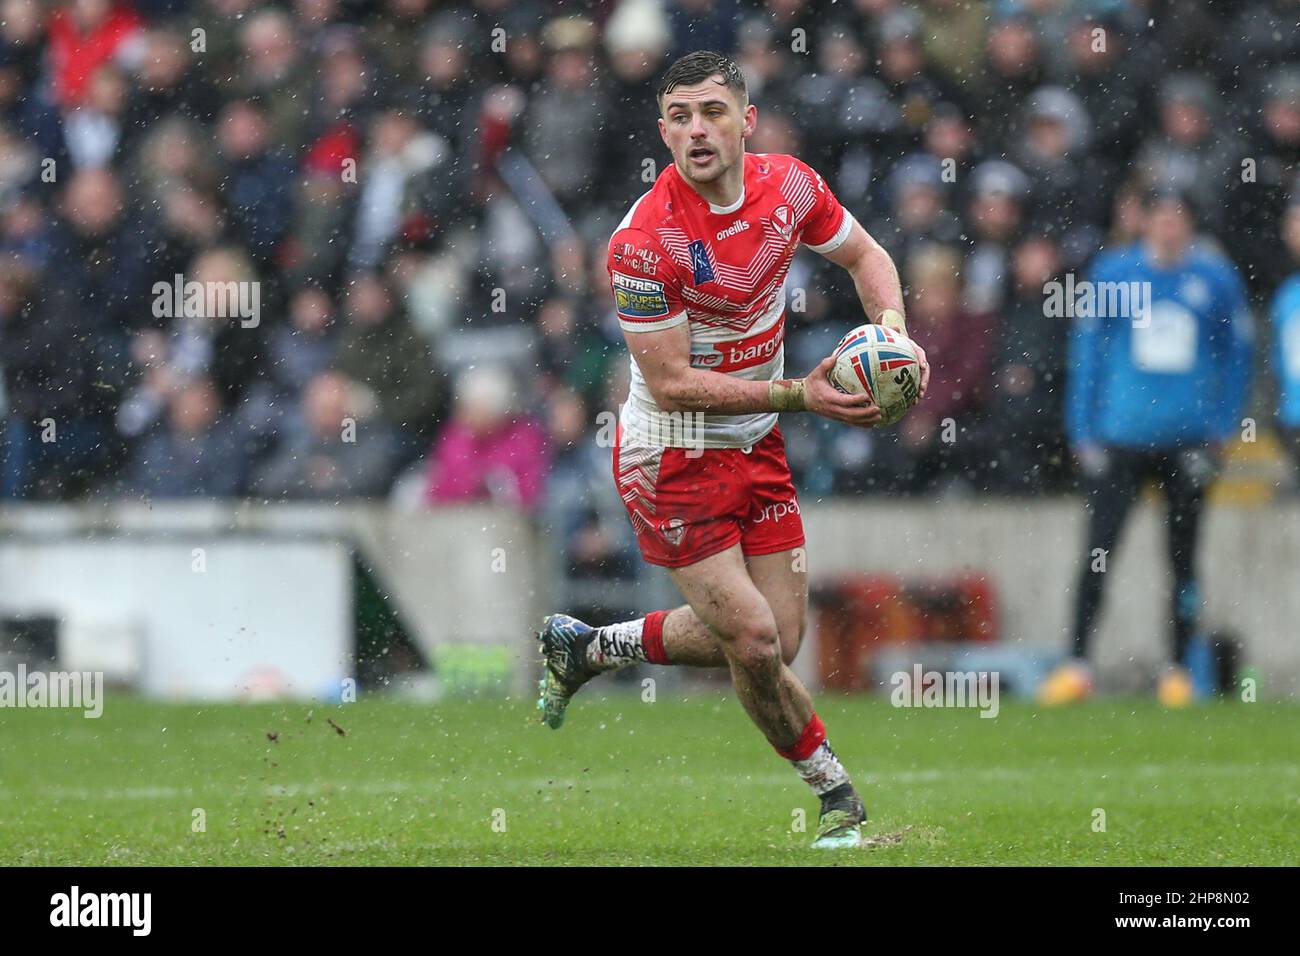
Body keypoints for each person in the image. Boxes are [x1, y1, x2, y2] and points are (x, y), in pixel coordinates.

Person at [534, 51, 929, 850]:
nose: (697, 130)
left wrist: (892, 337)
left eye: (712, 111)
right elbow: (674, 383)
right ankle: (837, 797)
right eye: (679, 116)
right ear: (662, 133)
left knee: (780, 641)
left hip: (755, 440)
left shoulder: (789, 187)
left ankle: (588, 646)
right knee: (749, 639)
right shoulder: (645, 242)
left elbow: (867, 257)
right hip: (671, 453)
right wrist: (799, 395)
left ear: (747, 119)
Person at [1045, 188, 1253, 706]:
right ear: (1145, 223)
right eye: (1159, 218)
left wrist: (1224, 425)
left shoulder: (1215, 279)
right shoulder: (1115, 273)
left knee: (1183, 559)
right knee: (1097, 552)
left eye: (1177, 218)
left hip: (1187, 441)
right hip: (1120, 438)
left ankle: (1180, 669)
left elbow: (1238, 357)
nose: (1168, 227)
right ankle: (1076, 664)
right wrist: (1082, 429)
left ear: (1189, 225)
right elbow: (1088, 350)